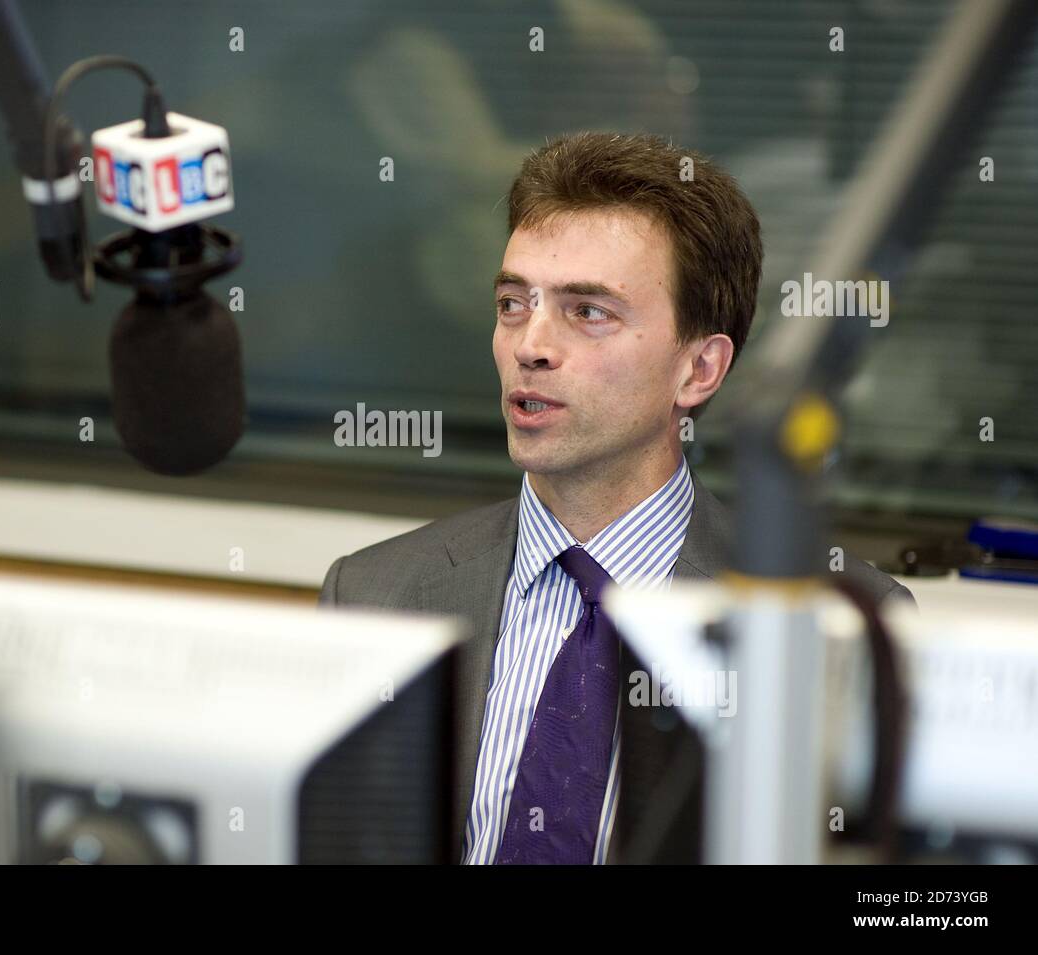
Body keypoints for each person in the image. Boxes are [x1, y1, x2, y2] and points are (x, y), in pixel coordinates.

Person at [319, 131, 914, 864]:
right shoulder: (374, 593)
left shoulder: (833, 627)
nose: (530, 344)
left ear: (698, 369)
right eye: (513, 302)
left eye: (587, 311)